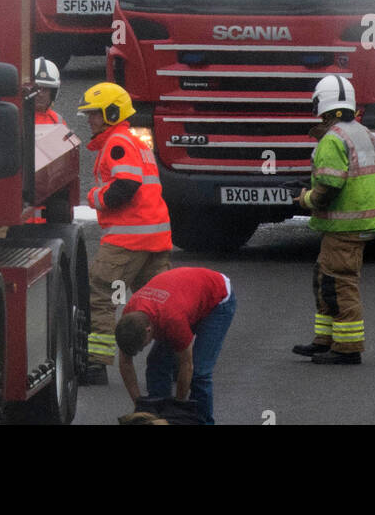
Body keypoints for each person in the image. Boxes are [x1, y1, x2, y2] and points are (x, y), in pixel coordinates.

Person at [78, 82, 172, 381]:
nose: (90, 119)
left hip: (128, 240)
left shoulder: (117, 144)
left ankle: (96, 364)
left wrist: (96, 197)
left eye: (95, 113)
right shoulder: (137, 143)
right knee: (157, 304)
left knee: (101, 294)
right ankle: (171, 361)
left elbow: (125, 186)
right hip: (154, 240)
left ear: (112, 112)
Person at [292, 74, 375, 365]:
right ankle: (325, 339)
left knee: (339, 283)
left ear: (320, 103)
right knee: (325, 278)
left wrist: (305, 198)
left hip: (345, 224)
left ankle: (347, 349)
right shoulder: (364, 133)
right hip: (357, 222)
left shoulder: (333, 139)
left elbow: (329, 188)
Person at [114, 267, 235, 425]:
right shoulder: (130, 317)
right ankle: (155, 415)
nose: (141, 350)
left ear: (149, 330)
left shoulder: (172, 320)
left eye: (142, 346)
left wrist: (177, 409)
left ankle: (203, 421)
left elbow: (187, 365)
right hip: (185, 297)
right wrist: (139, 405)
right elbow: (125, 362)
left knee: (200, 373)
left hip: (218, 299)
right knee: (157, 363)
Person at [33, 56, 63, 125]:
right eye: (36, 89)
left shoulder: (57, 120)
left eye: (45, 90)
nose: (40, 94)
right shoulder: (17, 119)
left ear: (53, 93)